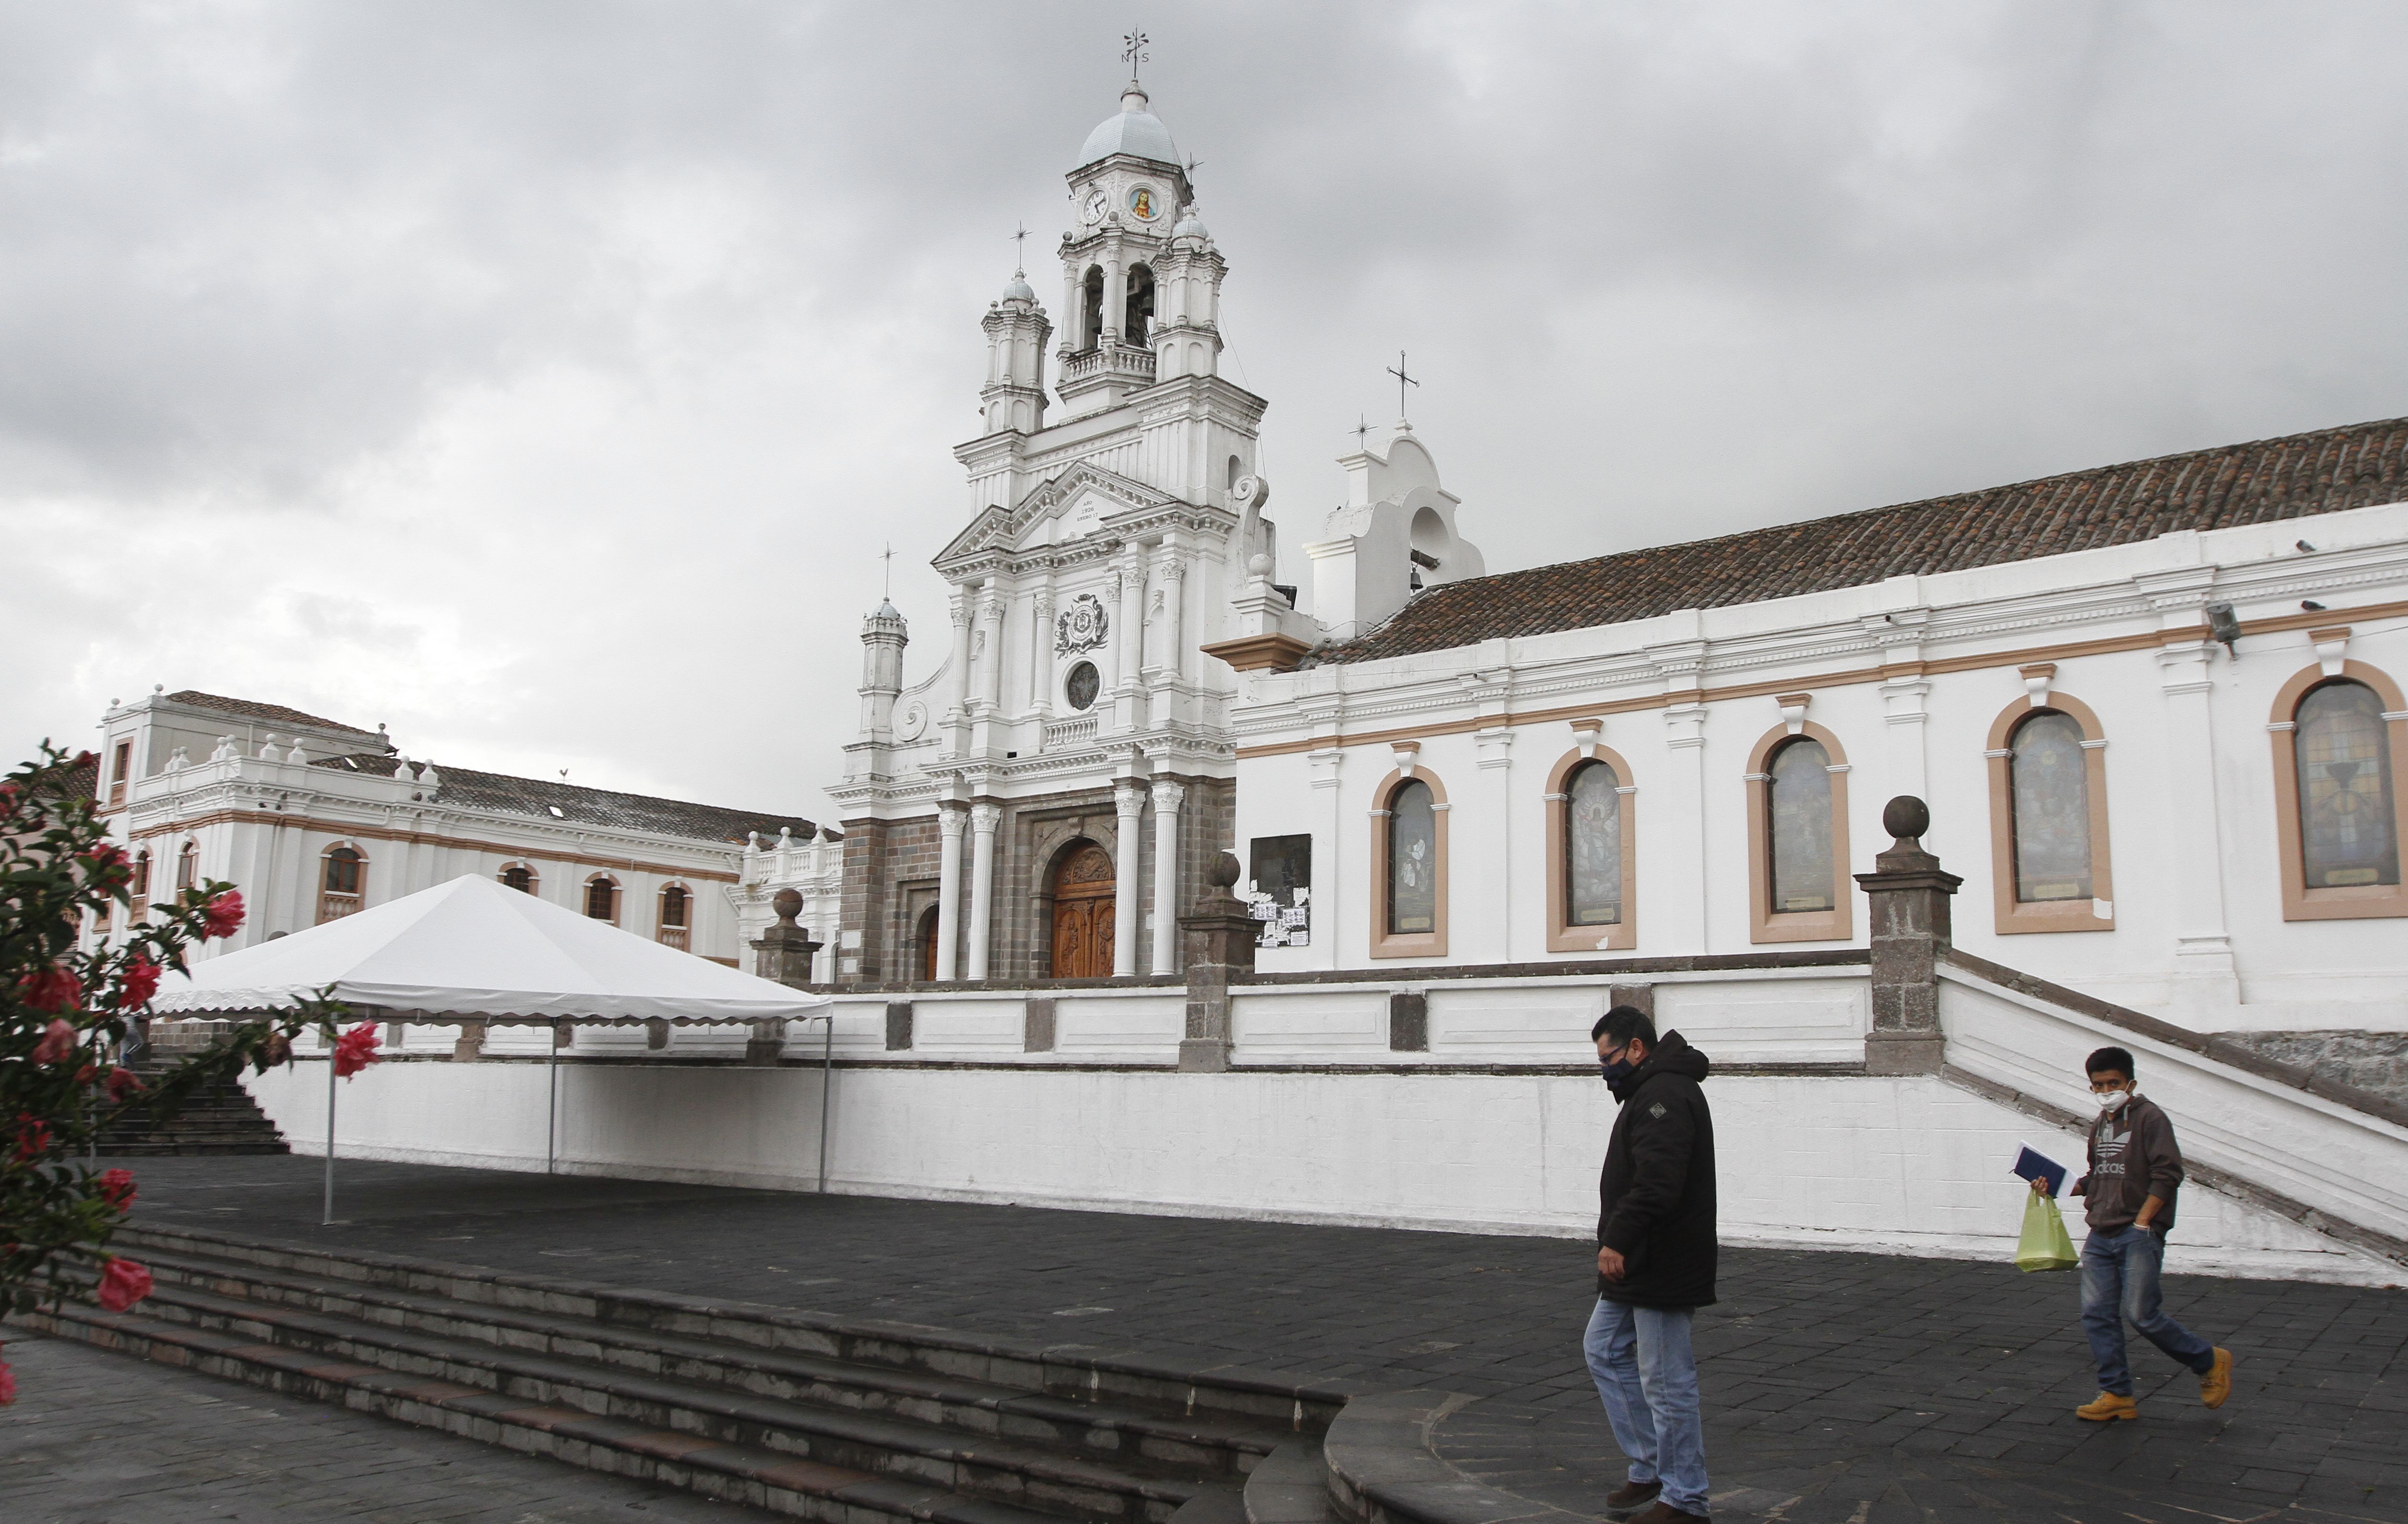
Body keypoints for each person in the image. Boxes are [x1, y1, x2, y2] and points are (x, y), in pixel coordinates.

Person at [2045, 1045, 2233, 1421]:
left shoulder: (2150, 1119)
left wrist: (2144, 1222)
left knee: (2141, 1314)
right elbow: (2098, 1175)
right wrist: (2058, 1186)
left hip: (2137, 1232)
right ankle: (2116, 1393)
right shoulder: (2100, 1123)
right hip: (2100, 1232)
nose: (2105, 1090)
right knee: (2096, 1315)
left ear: (2130, 1082)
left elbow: (2168, 1174)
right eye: (2097, 1085)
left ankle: (2208, 1360)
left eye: (2112, 1083)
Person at [1584, 1005, 1716, 1524]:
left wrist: (1616, 1238)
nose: (1605, 1069)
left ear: (1636, 1047)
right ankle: (1650, 1466)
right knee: (1604, 1347)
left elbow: (1658, 1183)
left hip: (1659, 1259)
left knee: (1666, 1379)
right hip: (1641, 1260)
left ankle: (1685, 1497)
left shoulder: (1663, 1094)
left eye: (1609, 1056)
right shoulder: (1651, 1088)